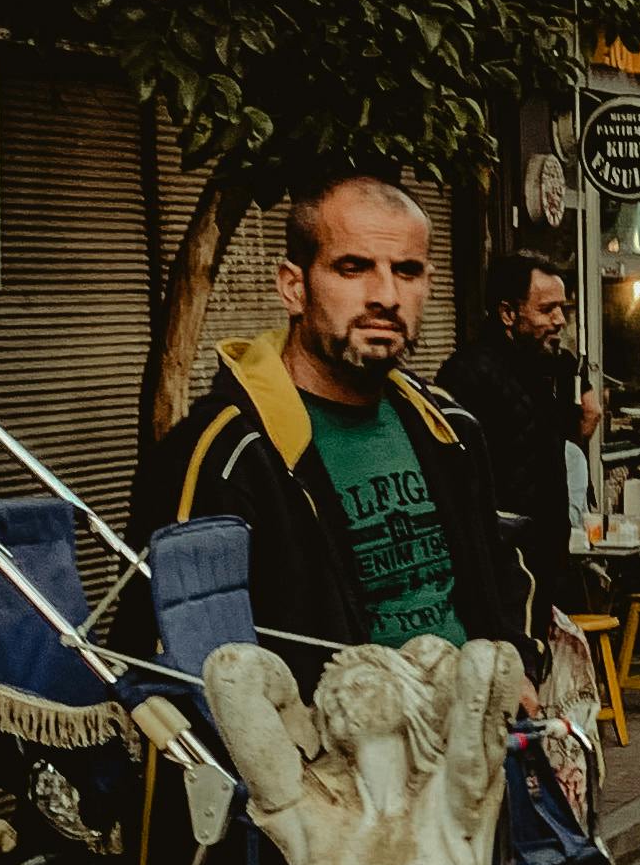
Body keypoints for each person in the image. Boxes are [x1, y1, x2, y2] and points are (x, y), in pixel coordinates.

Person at [140, 172, 529, 664]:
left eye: (407, 271)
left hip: (469, 708)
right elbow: (175, 653)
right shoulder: (222, 454)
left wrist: (519, 662)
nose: (386, 296)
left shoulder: (450, 427)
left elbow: (499, 567)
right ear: (294, 287)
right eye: (353, 268)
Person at [442, 248, 598, 608]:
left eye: (563, 309)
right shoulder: (469, 374)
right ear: (508, 313)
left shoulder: (543, 370)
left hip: (544, 564)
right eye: (547, 309)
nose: (560, 321)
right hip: (502, 569)